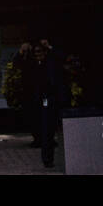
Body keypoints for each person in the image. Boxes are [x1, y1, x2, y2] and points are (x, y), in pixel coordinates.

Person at [26, 37, 69, 169]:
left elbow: (60, 58)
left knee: (58, 130)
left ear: (45, 53)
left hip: (54, 99)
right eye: (36, 53)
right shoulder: (33, 66)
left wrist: (50, 47)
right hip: (42, 101)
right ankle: (47, 159)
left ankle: (63, 157)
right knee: (46, 131)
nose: (38, 55)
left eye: (40, 52)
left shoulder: (51, 63)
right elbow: (19, 63)